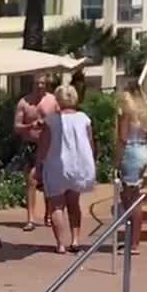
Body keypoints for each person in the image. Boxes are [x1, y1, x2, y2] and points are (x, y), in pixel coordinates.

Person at [40, 84, 96, 255]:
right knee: (74, 204)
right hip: (78, 165)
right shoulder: (84, 118)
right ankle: (76, 240)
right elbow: (90, 144)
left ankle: (60, 244)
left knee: (57, 206)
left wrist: (39, 163)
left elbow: (44, 145)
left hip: (56, 164)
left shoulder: (51, 119)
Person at [116, 85, 147, 255]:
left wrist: (117, 160)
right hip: (141, 150)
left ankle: (132, 243)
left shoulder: (127, 112)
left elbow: (123, 138)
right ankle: (133, 240)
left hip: (131, 152)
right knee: (134, 197)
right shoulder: (145, 112)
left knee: (130, 199)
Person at [14, 73, 59, 231]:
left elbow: (61, 121)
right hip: (30, 146)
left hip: (49, 146)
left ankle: (48, 215)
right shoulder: (24, 103)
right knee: (31, 181)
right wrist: (30, 126)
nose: (40, 86)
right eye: (37, 83)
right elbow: (17, 126)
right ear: (32, 84)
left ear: (46, 85)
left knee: (48, 182)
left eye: (42, 83)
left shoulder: (53, 101)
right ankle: (31, 219)